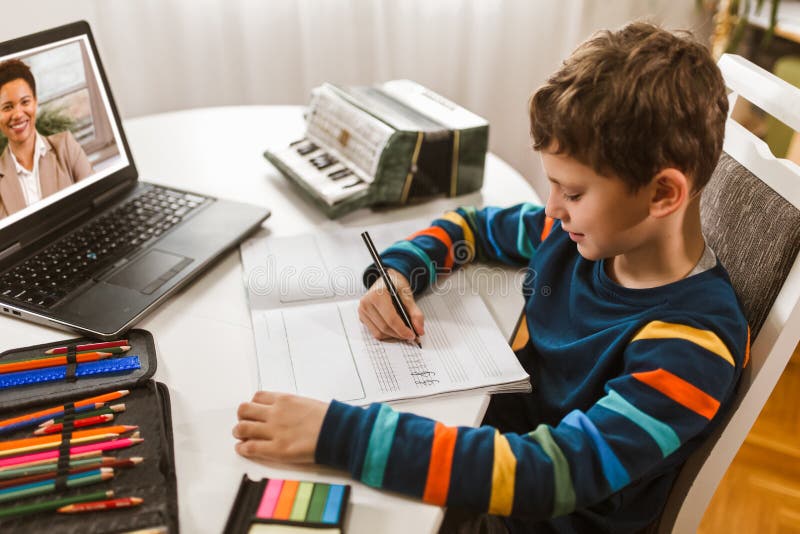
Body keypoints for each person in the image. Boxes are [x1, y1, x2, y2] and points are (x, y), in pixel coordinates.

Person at [233, 22, 749, 533]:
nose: (553, 209)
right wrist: (401, 270)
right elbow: (474, 229)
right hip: (490, 451)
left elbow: (552, 475)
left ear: (662, 195)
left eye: (572, 194)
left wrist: (340, 435)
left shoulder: (693, 345)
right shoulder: (577, 235)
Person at [0, 58, 93, 219]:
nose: (18, 114)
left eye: (25, 102)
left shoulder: (66, 147)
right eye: (7, 107)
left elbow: (95, 200)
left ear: (35, 102)